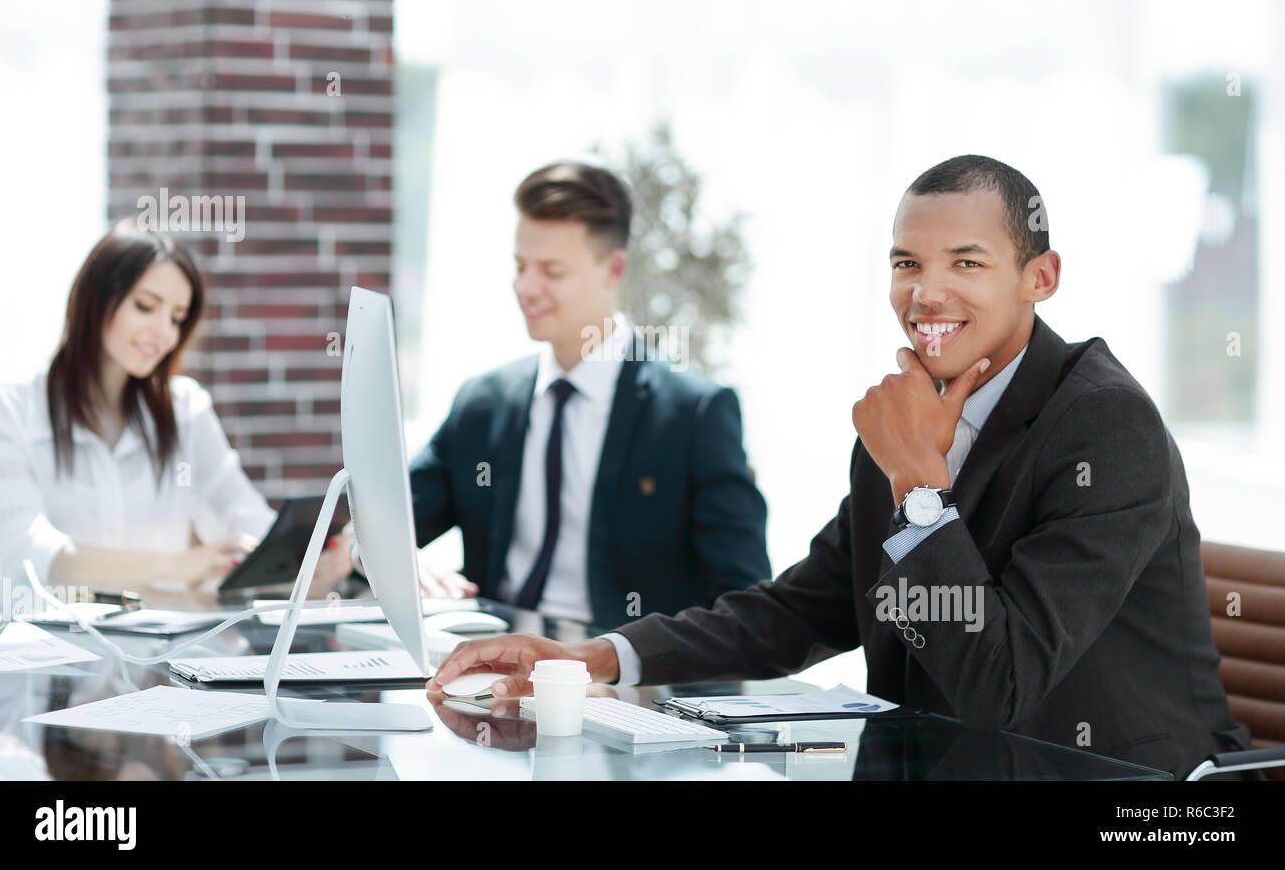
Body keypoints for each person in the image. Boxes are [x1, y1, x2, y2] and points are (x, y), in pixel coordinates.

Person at [427, 154, 1252, 779]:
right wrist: (594, 658)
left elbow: (1000, 684)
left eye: (966, 263)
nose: (927, 293)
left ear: (1041, 278)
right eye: (906, 264)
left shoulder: (1106, 424)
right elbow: (802, 610)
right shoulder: (908, 412)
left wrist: (919, 488)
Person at [400, 161, 770, 629]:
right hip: (492, 666)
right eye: (520, 266)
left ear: (613, 269)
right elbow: (387, 518)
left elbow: (745, 602)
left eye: (552, 271)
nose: (526, 288)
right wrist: (399, 558)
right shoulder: (484, 403)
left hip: (624, 677)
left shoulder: (693, 413)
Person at [0, 222, 353, 602]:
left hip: (162, 651)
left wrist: (306, 556)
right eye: (146, 306)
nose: (164, 333)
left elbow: (242, 513)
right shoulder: (7, 410)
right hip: (49, 653)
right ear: (94, 300)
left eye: (177, 318)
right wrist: (180, 564)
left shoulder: (185, 410)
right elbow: (27, 554)